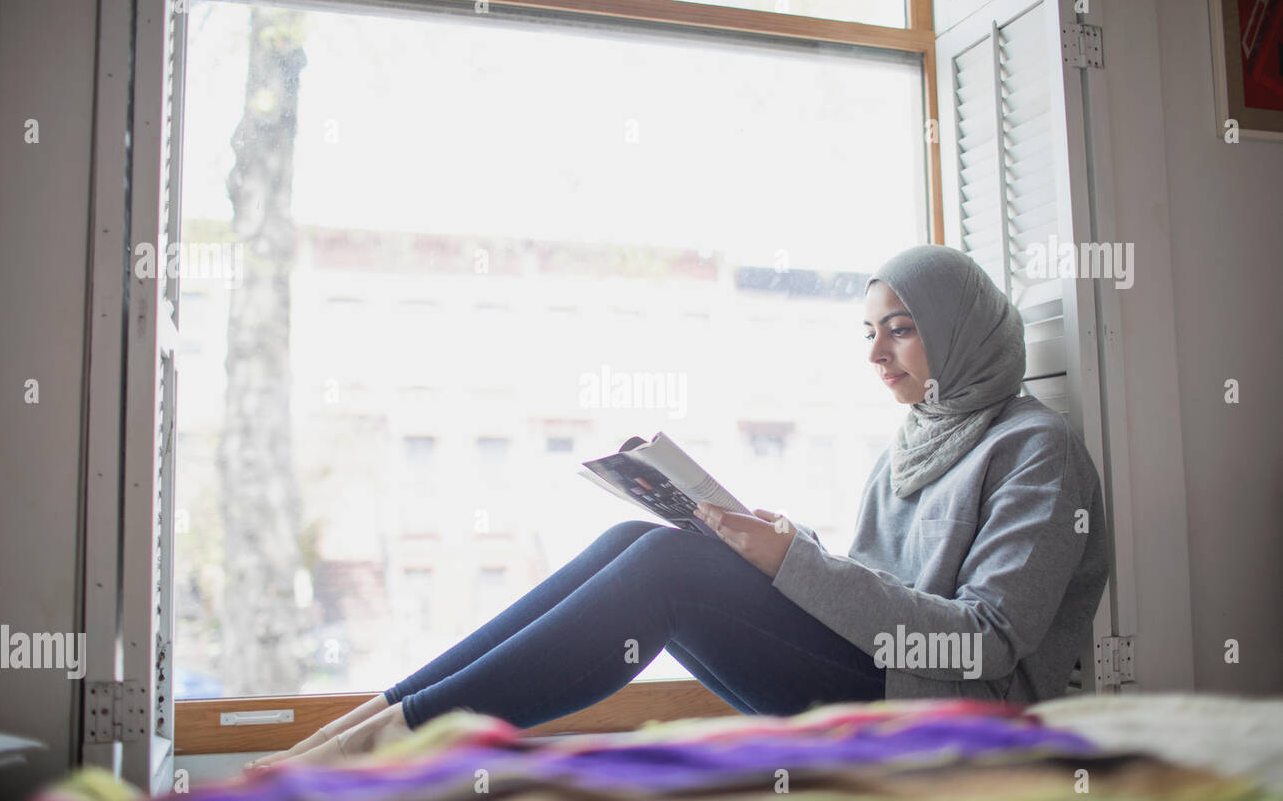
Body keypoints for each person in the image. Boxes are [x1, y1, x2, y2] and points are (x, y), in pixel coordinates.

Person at [246, 244, 1109, 770]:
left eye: (902, 328)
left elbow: (986, 640)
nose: (877, 355)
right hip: (878, 671)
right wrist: (781, 544)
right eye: (869, 331)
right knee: (637, 531)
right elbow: (884, 583)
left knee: (665, 569)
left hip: (952, 707)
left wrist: (795, 567)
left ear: (962, 331)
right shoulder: (922, 433)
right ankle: (371, 720)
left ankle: (392, 743)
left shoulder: (1035, 451)